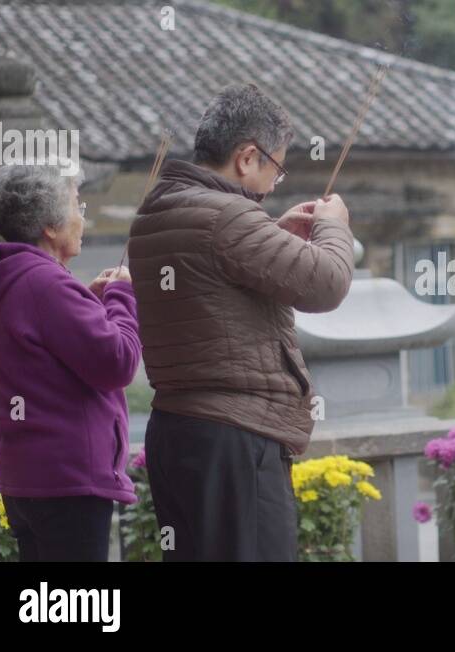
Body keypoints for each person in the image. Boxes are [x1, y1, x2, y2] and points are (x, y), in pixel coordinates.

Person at [129, 83, 354, 561]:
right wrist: (334, 224)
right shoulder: (228, 217)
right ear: (247, 157)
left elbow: (212, 285)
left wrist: (271, 235)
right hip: (235, 435)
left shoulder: (155, 213)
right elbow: (328, 282)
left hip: (177, 430)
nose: (274, 184)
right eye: (275, 167)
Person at [0, 163, 141, 561]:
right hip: (69, 480)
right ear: (50, 225)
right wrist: (121, 298)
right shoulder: (47, 285)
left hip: (28, 479)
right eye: (77, 205)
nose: (82, 216)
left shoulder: (11, 278)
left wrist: (88, 301)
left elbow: (47, 348)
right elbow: (118, 361)